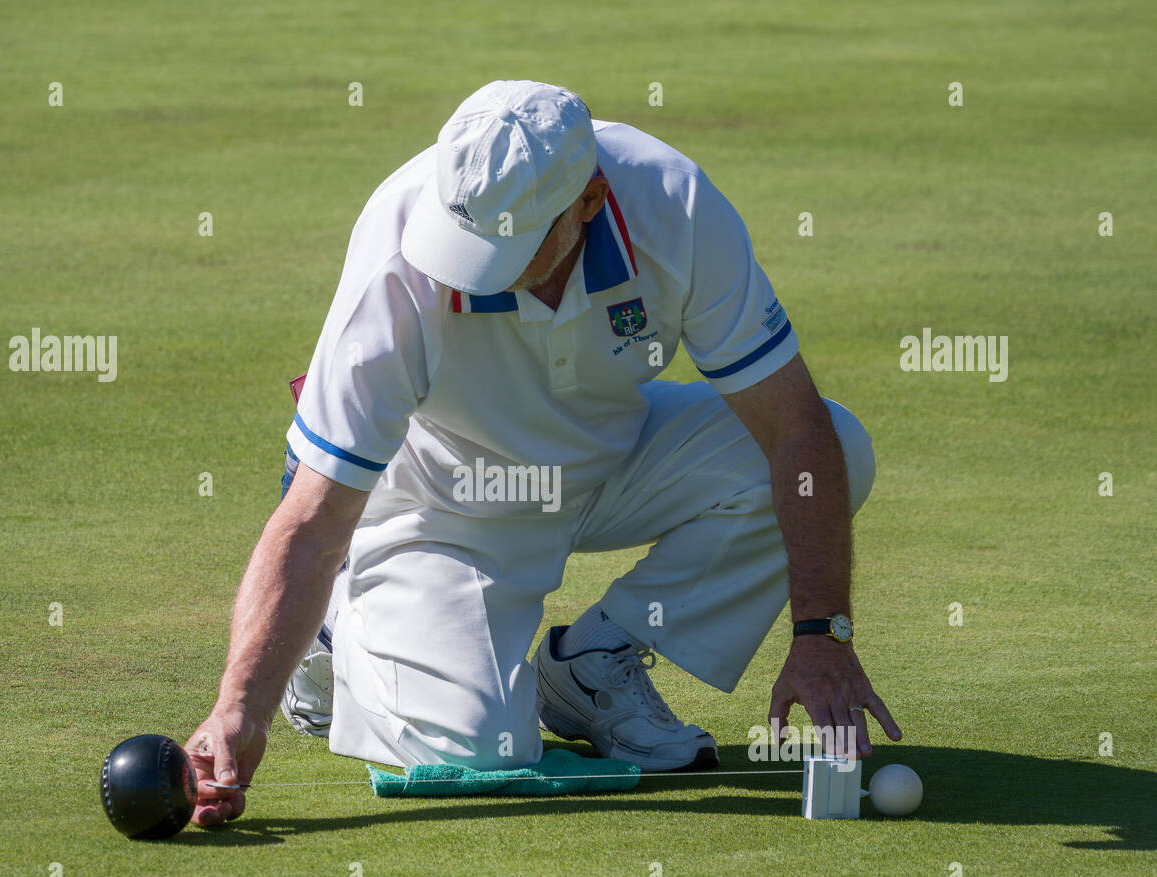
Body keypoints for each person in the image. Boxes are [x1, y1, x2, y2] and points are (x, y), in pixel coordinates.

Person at [185, 80, 901, 826]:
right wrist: (239, 709)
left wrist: (823, 632)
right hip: (445, 503)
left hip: (610, 456)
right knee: (480, 748)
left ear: (588, 202)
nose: (465, 265)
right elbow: (312, 515)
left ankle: (593, 663)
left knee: (838, 447)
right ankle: (337, 625)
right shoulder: (397, 254)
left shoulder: (675, 204)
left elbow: (796, 432)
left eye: (509, 244)